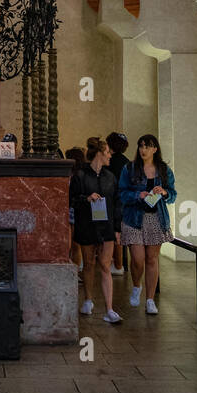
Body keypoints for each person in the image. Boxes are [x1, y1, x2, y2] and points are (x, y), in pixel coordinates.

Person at [119, 134, 177, 315]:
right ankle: (137, 285)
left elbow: (173, 194)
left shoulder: (164, 170)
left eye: (147, 146)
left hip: (155, 218)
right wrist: (138, 195)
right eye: (141, 146)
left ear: (155, 149)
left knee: (152, 259)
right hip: (134, 218)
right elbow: (121, 193)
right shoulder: (129, 169)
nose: (143, 150)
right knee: (137, 260)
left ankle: (150, 300)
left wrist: (165, 192)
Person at [71, 137, 122, 324]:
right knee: (89, 263)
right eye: (107, 152)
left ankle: (109, 308)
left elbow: (117, 203)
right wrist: (86, 198)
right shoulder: (81, 176)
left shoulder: (111, 177)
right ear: (99, 153)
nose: (110, 156)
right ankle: (88, 300)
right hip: (87, 224)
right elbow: (73, 200)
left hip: (106, 225)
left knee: (105, 265)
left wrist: (117, 227)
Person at [106, 131, 131, 276]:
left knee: (114, 233)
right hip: (124, 200)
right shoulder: (127, 162)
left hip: (112, 201)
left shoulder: (109, 162)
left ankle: (117, 264)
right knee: (119, 233)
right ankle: (119, 264)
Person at [65, 146, 86, 281]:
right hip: (78, 210)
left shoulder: (70, 176)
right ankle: (76, 270)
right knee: (76, 244)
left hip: (70, 209)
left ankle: (72, 269)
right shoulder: (83, 175)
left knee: (71, 243)